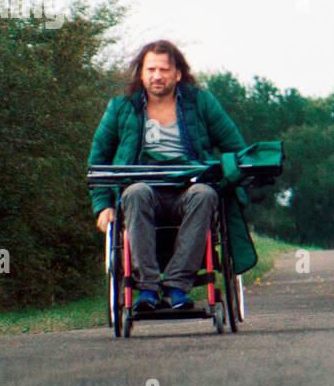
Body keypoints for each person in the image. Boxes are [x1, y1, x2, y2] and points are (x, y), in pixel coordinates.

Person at [88, 40, 250, 311]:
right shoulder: (121, 108)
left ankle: (177, 287)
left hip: (189, 191)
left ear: (177, 74)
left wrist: (228, 181)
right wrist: (102, 206)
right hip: (143, 192)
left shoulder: (202, 104)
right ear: (141, 72)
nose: (157, 76)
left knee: (205, 194)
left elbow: (236, 149)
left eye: (164, 70)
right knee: (135, 192)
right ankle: (148, 290)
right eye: (151, 69)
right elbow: (98, 160)